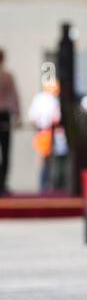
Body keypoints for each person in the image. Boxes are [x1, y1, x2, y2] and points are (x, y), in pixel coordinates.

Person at [28, 79, 63, 193]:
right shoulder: (52, 100)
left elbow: (32, 116)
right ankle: (46, 186)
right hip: (47, 132)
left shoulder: (39, 98)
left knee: (44, 159)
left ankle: (45, 186)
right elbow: (56, 118)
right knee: (46, 159)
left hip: (42, 131)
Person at [0, 49, 19, 195]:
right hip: (4, 115)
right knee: (5, 151)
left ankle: (2, 183)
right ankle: (2, 183)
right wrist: (17, 115)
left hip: (5, 115)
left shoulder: (8, 76)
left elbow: (13, 96)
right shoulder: (7, 76)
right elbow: (14, 97)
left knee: (6, 152)